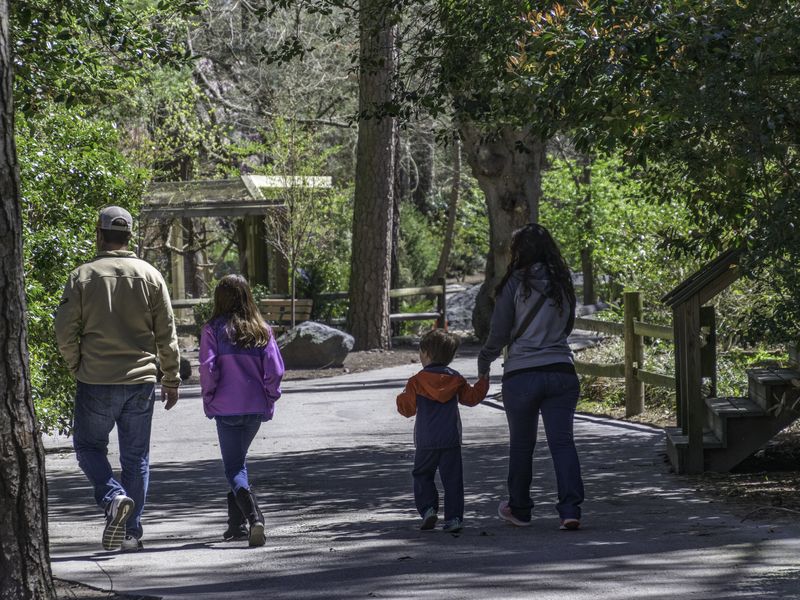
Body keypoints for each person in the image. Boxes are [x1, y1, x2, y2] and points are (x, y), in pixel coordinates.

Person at [54, 205, 181, 552]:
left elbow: (65, 331)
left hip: (95, 378)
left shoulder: (82, 276)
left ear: (99, 234)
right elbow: (166, 333)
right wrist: (171, 378)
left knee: (87, 447)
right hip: (141, 380)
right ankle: (130, 534)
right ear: (129, 236)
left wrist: (75, 364)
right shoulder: (150, 275)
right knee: (136, 458)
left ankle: (113, 499)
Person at [477, 222, 584, 531]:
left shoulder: (514, 283)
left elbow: (498, 333)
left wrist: (484, 362)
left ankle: (521, 509)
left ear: (519, 251)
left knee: (522, 445)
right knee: (562, 443)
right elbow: (567, 327)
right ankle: (570, 509)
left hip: (522, 375)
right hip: (561, 372)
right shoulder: (563, 283)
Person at [199, 274, 284, 547]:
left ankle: (254, 517)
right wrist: (270, 396)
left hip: (226, 409)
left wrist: (209, 397)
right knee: (238, 463)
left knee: (234, 467)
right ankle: (234, 525)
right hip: (255, 407)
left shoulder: (213, 330)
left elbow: (208, 369)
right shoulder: (262, 330)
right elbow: (275, 370)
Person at [396, 329, 488, 533]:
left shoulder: (416, 381)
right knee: (453, 480)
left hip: (425, 439)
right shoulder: (456, 379)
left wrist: (401, 398)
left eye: (420, 352)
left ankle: (428, 509)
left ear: (427, 353)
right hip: (451, 439)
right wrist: (483, 381)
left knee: (422, 474)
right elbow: (471, 398)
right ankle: (454, 519)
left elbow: (408, 410)